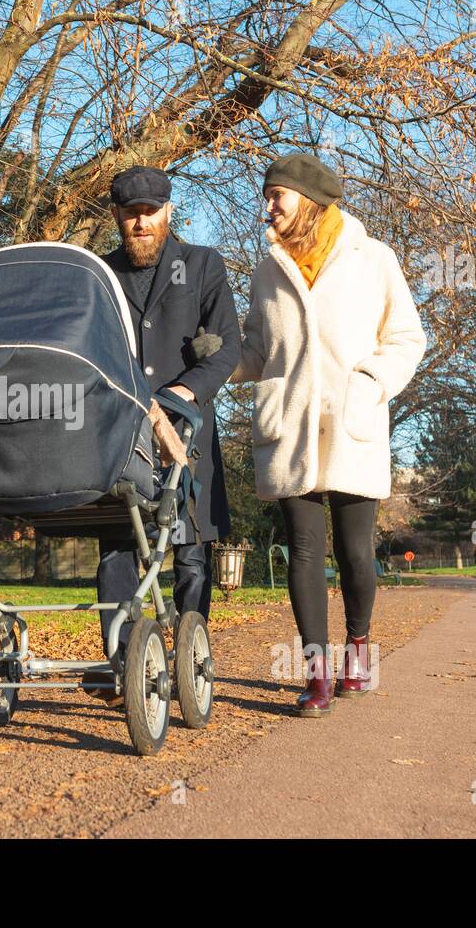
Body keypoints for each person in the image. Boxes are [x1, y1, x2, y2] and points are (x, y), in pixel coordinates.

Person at [230, 153, 427, 716]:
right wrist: (217, 363)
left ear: (309, 200)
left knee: (355, 553)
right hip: (288, 428)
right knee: (303, 551)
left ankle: (358, 649)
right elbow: (256, 351)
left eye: (276, 197)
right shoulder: (266, 269)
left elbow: (408, 337)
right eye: (267, 196)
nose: (267, 207)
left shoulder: (374, 259)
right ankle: (316, 675)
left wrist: (371, 381)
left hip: (352, 424)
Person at [86, 165, 242, 703]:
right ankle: (122, 660)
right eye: (131, 214)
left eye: (150, 212)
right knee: (117, 547)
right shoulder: (98, 274)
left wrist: (179, 396)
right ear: (117, 217)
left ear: (168, 212)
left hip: (186, 431)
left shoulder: (202, 265)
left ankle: (188, 662)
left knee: (191, 553)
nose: (141, 223)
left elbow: (228, 350)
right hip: (119, 434)